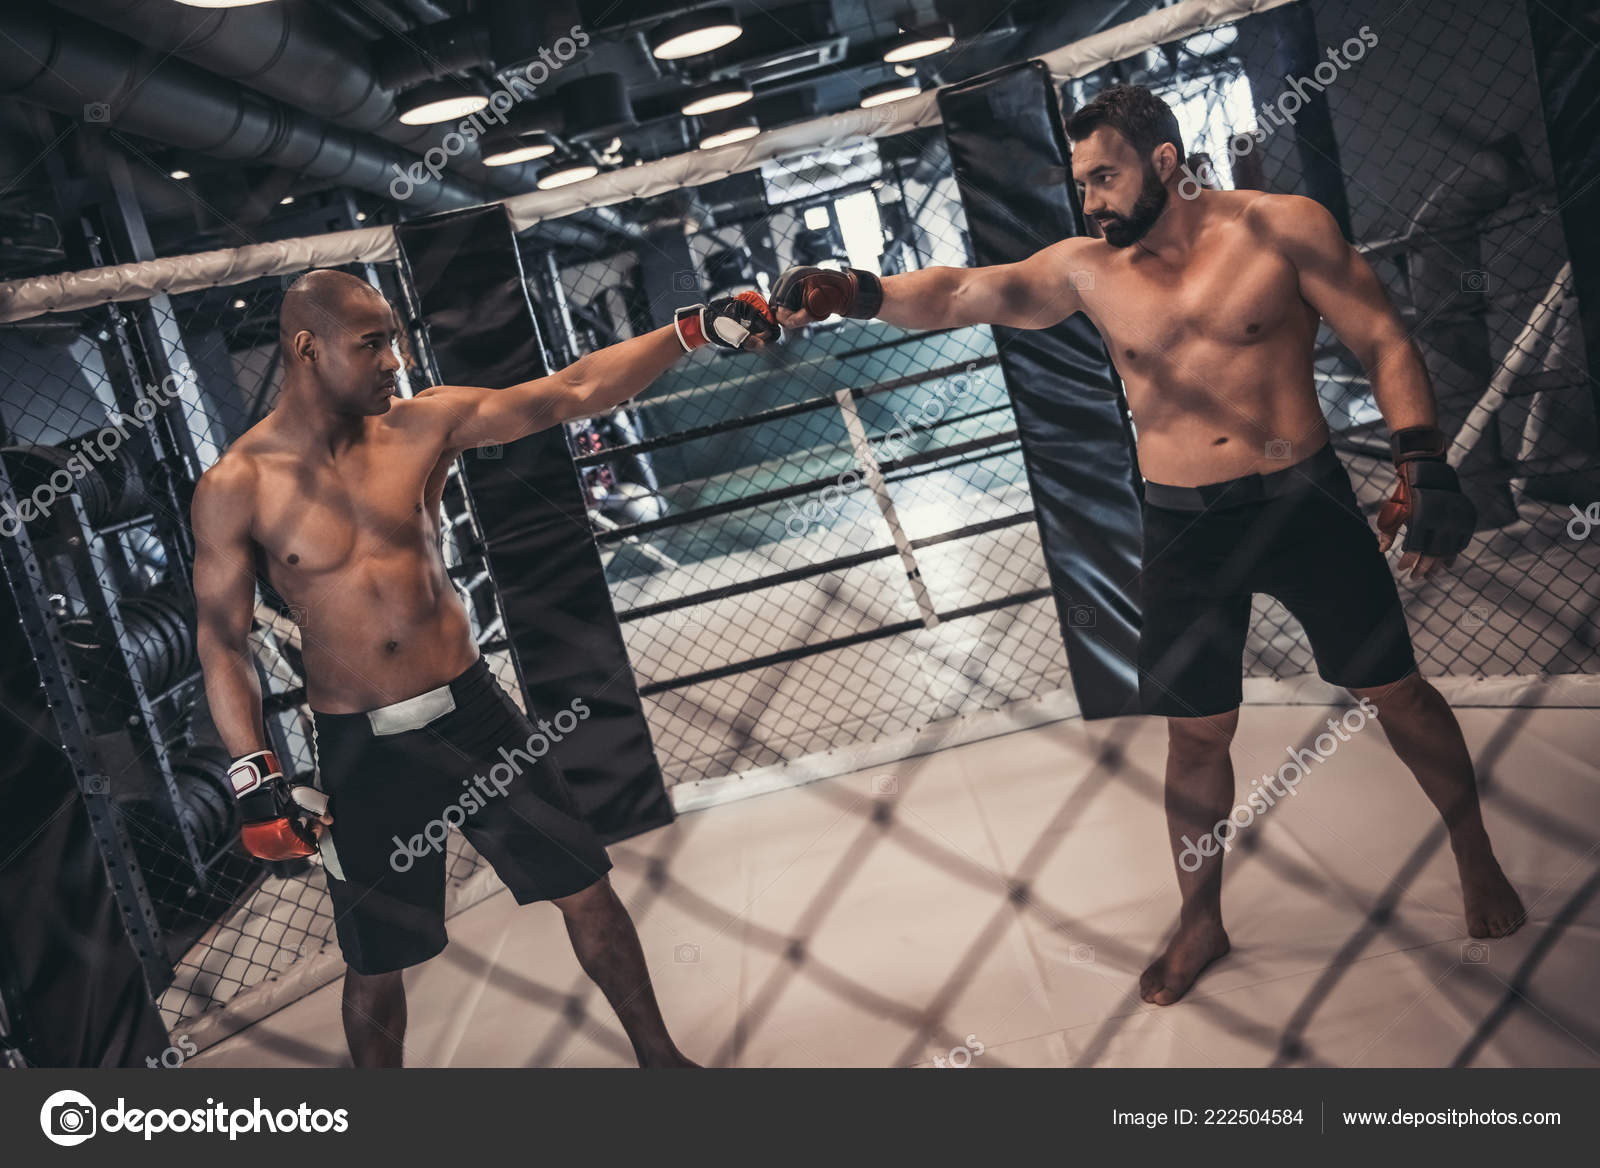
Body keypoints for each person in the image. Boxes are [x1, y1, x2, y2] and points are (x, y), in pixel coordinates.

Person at [770, 84, 1524, 1006]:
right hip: (1181, 523)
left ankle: (1476, 856)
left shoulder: (1281, 227)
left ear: (1165, 161)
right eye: (1081, 183)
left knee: (1393, 691)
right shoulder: (1089, 269)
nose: (1091, 202)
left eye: (1106, 178)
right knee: (1197, 733)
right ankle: (1201, 918)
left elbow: (1380, 336)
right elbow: (970, 291)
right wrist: (862, 291)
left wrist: (1423, 459)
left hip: (1301, 500)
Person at [193, 268, 774, 1065]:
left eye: (394, 340)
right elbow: (220, 639)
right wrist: (252, 776)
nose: (395, 361)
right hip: (360, 749)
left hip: (475, 716)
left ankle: (663, 1063)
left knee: (588, 894)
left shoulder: (423, 425)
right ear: (306, 349)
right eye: (372, 344)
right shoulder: (236, 484)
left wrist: (691, 331)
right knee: (376, 963)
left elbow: (571, 391)